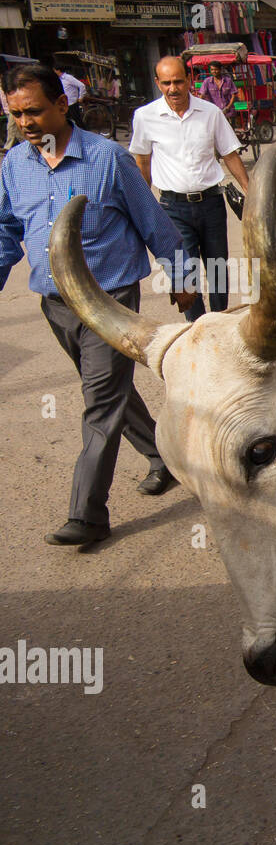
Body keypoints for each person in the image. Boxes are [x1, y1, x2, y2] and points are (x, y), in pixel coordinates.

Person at [0, 64, 183, 545]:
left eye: (34, 111)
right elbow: (5, 231)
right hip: (56, 305)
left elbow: (154, 223)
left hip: (111, 299)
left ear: (63, 105)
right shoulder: (14, 165)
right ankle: (164, 456)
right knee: (109, 391)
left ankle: (87, 514)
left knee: (99, 402)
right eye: (16, 114)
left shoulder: (108, 159)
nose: (25, 123)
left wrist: (182, 278)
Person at [129, 56, 250, 323]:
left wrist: (250, 191)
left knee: (218, 267)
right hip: (173, 208)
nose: (173, 89)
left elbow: (229, 153)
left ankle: (221, 320)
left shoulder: (211, 113)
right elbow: (143, 162)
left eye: (178, 81)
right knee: (185, 271)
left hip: (211, 203)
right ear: (157, 83)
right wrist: (141, 206)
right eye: (167, 83)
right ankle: (196, 327)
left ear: (189, 81)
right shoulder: (145, 117)